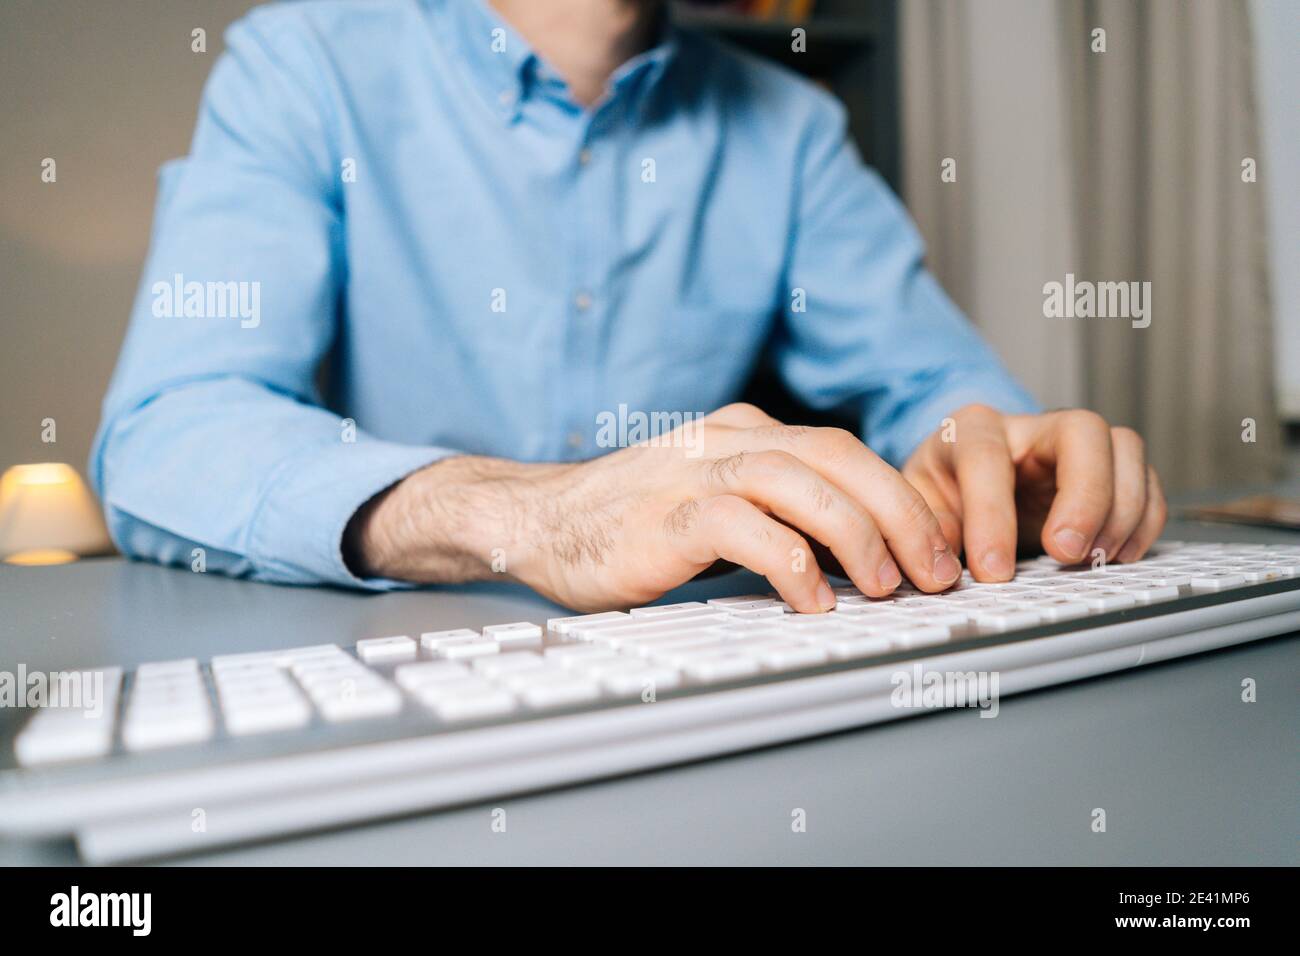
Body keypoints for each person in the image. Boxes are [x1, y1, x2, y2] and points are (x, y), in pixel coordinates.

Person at [93, 0, 1166, 613]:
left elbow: (934, 381)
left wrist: (984, 453)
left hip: (691, 697)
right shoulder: (303, 65)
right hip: (378, 692)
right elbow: (170, 432)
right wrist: (530, 513)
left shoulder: (789, 129)